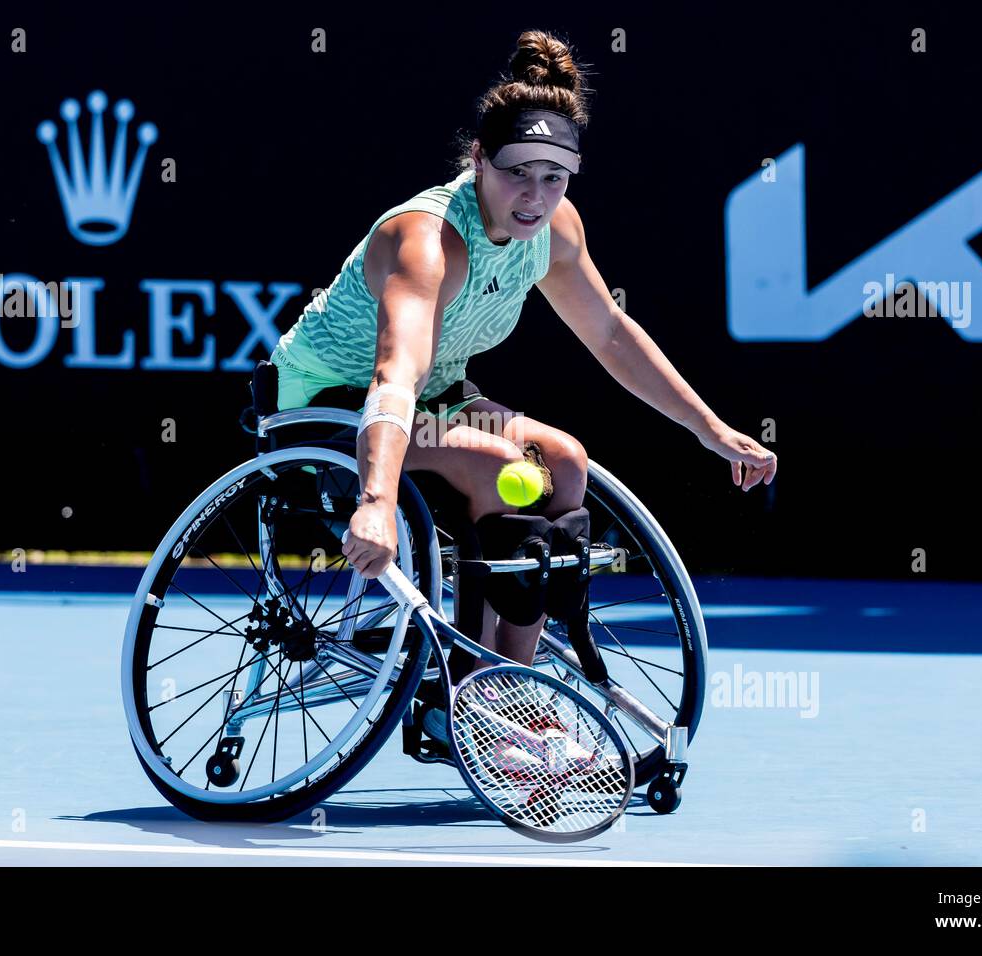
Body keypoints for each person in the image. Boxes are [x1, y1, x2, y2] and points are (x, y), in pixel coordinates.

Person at [269, 30, 776, 741]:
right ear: (477, 159)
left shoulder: (554, 228)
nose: (535, 196)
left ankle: (512, 697)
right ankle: (466, 702)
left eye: (554, 176)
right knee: (503, 466)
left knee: (565, 461)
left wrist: (709, 428)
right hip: (326, 408)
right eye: (516, 174)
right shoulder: (429, 240)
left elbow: (610, 336)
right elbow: (395, 373)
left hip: (436, 397)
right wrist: (377, 500)